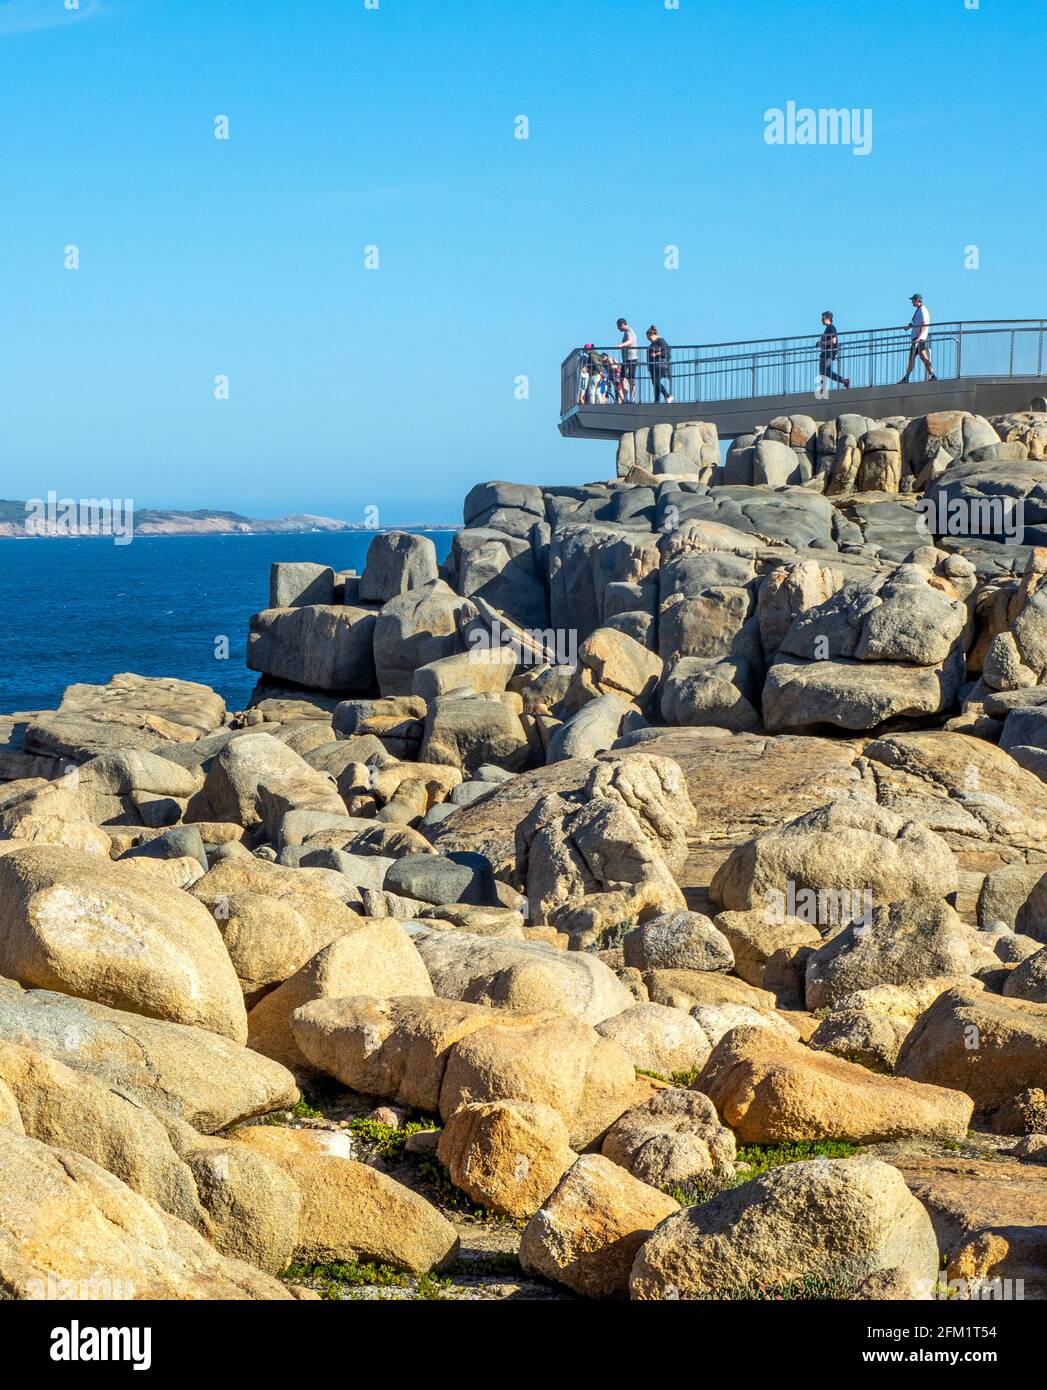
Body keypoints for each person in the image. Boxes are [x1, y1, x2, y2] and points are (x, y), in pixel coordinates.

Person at [900, 293, 936, 382]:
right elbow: (916, 323)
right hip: (917, 338)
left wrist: (919, 337)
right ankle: (907, 377)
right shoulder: (918, 310)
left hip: (919, 339)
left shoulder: (923, 310)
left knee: (921, 356)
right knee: (914, 357)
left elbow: (924, 324)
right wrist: (909, 327)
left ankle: (932, 374)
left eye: (913, 300)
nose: (912, 302)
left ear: (917, 300)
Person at [818, 311, 850, 390]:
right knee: (824, 371)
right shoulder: (828, 328)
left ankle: (844, 381)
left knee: (826, 371)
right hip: (826, 354)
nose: (821, 320)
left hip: (829, 355)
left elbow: (834, 341)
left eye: (823, 318)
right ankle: (823, 387)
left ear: (828, 318)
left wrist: (822, 343)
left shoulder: (831, 327)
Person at [646, 325, 673, 403]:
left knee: (656, 382)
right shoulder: (653, 343)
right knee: (655, 383)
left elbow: (668, 349)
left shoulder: (660, 340)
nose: (648, 339)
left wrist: (657, 354)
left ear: (652, 335)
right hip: (653, 366)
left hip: (660, 365)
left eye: (649, 337)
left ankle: (667, 396)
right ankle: (656, 400)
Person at [617, 317, 638, 402]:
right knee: (622, 377)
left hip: (631, 358)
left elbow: (630, 341)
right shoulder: (626, 332)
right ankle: (625, 397)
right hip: (626, 359)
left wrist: (621, 345)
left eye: (618, 327)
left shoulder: (629, 331)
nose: (618, 329)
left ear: (622, 325)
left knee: (631, 378)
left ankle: (632, 398)